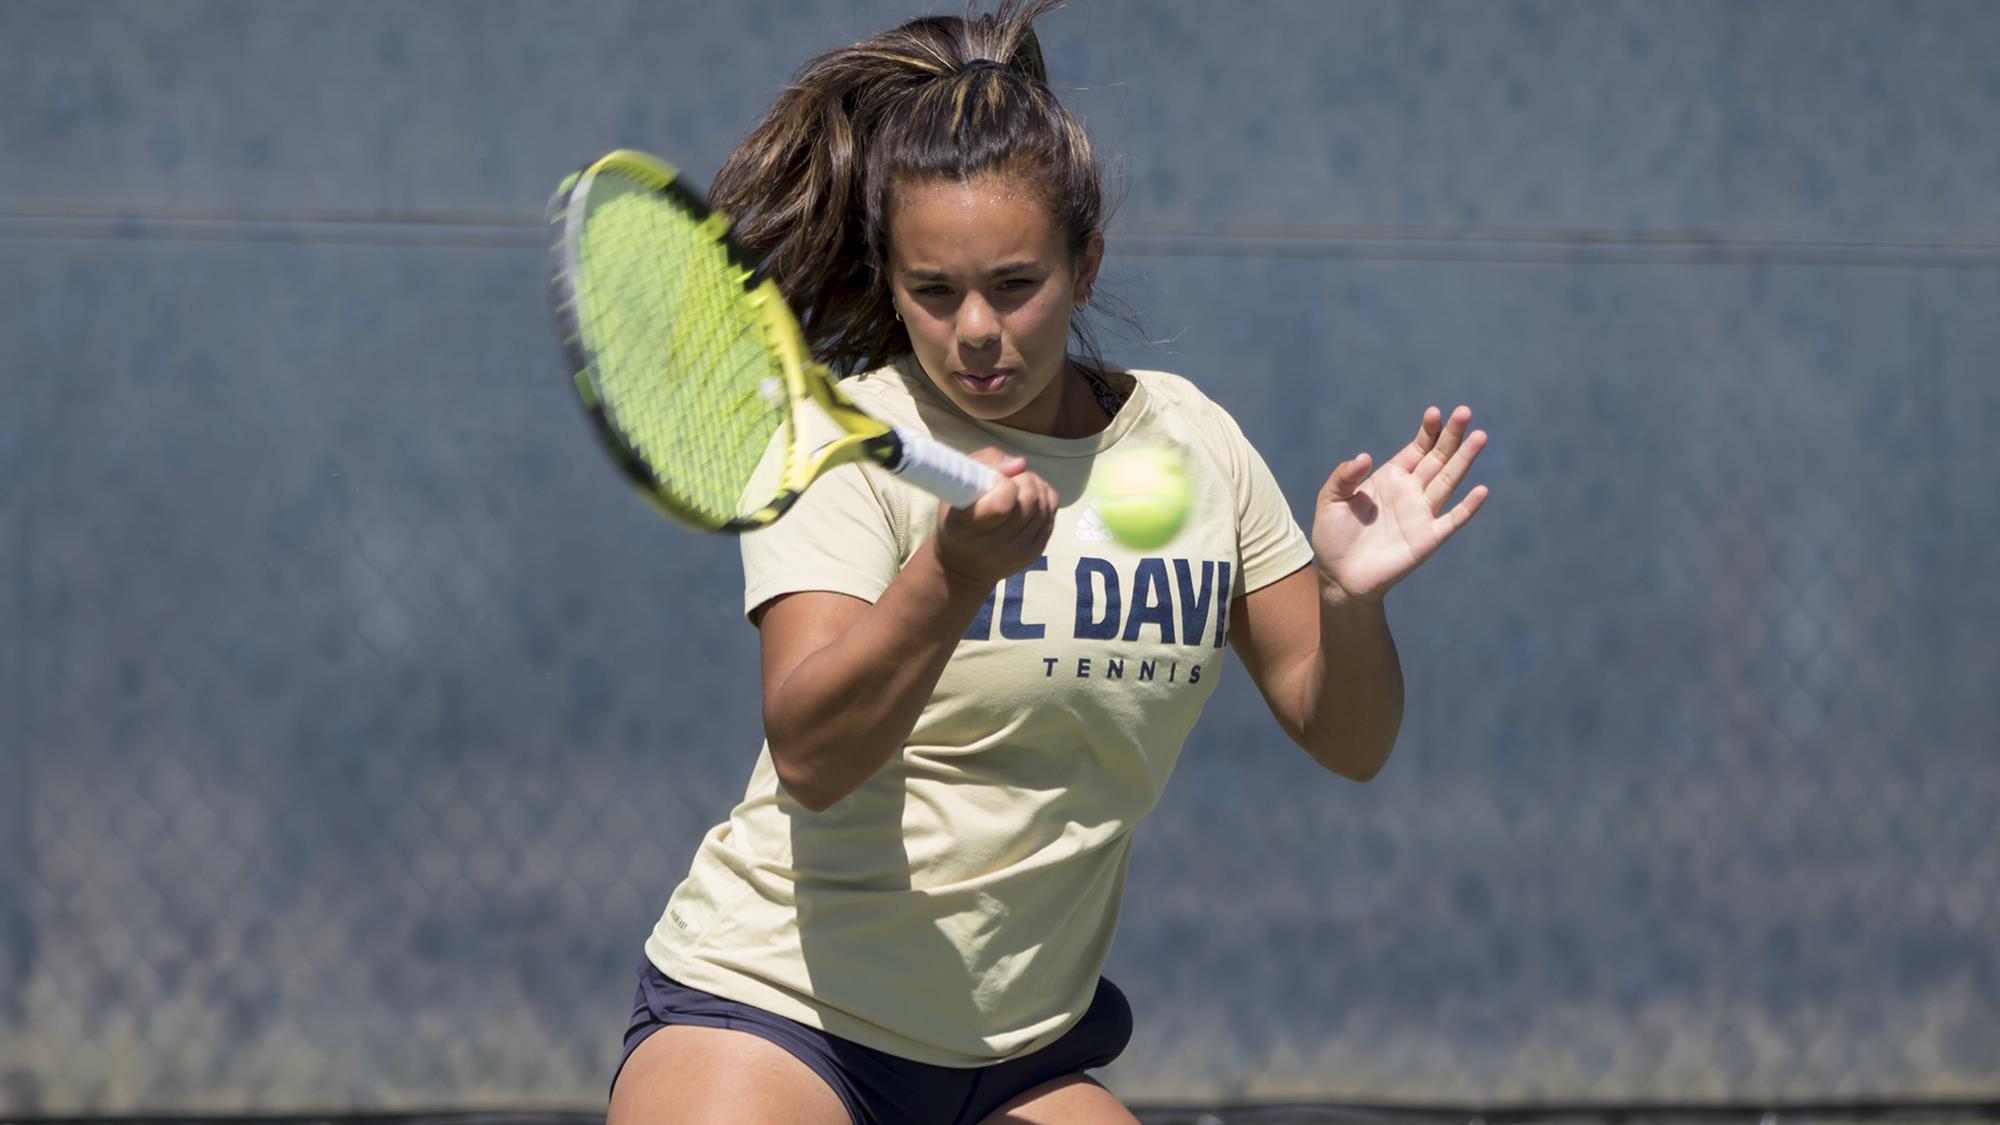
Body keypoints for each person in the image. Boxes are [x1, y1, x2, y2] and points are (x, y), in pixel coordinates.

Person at [608, 3, 1489, 1123]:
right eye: (932, 293)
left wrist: (1345, 599)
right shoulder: (845, 445)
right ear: (890, 282)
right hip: (777, 1013)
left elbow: (1346, 736)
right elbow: (813, 755)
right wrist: (952, 575)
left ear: (1084, 266)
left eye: (1013, 285)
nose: (974, 329)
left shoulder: (1192, 442)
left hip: (1013, 1058)